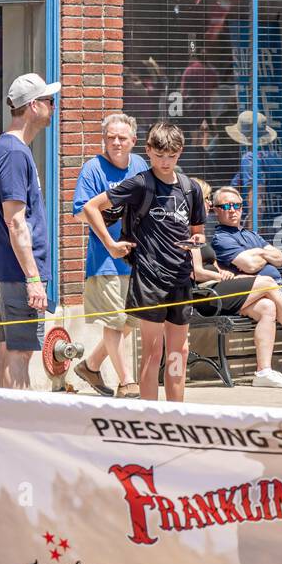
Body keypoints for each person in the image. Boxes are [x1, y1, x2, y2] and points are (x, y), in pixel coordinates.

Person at [82, 122, 206, 403]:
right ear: (148, 151)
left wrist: (196, 242)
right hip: (149, 279)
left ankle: (176, 416)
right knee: (153, 352)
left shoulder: (190, 188)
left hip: (180, 278)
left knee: (179, 352)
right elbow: (91, 207)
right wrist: (111, 245)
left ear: (180, 153)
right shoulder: (141, 183)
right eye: (159, 155)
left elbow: (197, 231)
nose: (165, 162)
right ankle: (150, 415)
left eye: (171, 156)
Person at [190, 181, 282, 389]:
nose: (209, 205)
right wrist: (222, 274)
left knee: (268, 307)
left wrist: (227, 270)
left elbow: (278, 258)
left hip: (224, 287)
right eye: (208, 201)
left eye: (236, 206)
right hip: (207, 294)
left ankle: (263, 372)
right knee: (269, 285)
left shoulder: (207, 232)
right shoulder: (197, 234)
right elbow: (196, 271)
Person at [0, 72, 59, 389]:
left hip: (14, 274)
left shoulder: (8, 149)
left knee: (7, 347)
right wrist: (33, 279)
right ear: (33, 106)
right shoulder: (14, 153)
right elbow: (15, 222)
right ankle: (15, 428)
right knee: (21, 353)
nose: (54, 108)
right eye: (50, 101)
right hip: (19, 274)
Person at [71, 111, 148, 398]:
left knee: (128, 322)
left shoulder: (140, 165)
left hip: (136, 259)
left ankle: (90, 366)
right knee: (115, 322)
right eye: (110, 137)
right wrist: (109, 228)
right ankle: (127, 382)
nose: (116, 142)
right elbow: (80, 212)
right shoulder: (93, 169)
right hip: (105, 259)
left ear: (133, 141)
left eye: (122, 138)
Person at [228, 110, 282, 232]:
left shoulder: (249, 159)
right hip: (278, 223)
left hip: (259, 226)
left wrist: (253, 233)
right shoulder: (276, 157)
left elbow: (256, 198)